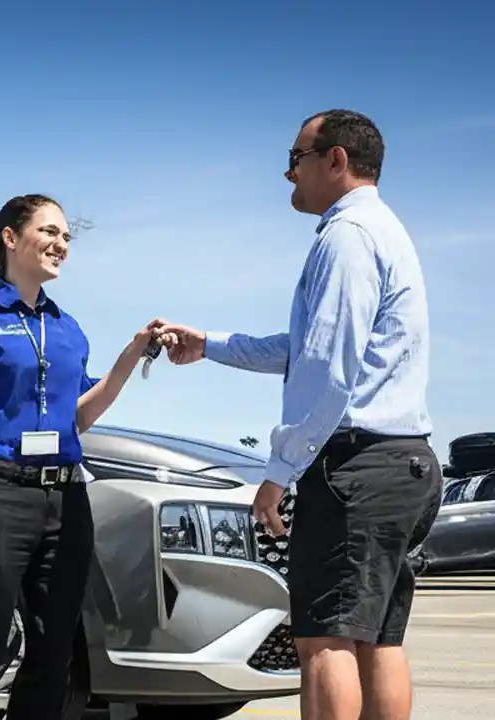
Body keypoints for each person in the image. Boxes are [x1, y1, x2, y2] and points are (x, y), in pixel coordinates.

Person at [153, 109, 442, 720]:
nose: (288, 174)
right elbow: (306, 345)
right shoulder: (385, 231)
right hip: (406, 463)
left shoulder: (347, 237)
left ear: (336, 160)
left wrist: (281, 470)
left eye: (296, 158)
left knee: (324, 641)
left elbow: (327, 368)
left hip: (354, 469)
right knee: (377, 639)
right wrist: (210, 343)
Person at [0, 193, 160, 720]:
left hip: (66, 498)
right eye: (49, 232)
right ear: (11, 238)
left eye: (66, 237)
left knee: (53, 647)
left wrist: (129, 356)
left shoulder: (67, 328)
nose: (61, 244)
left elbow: (78, 414)